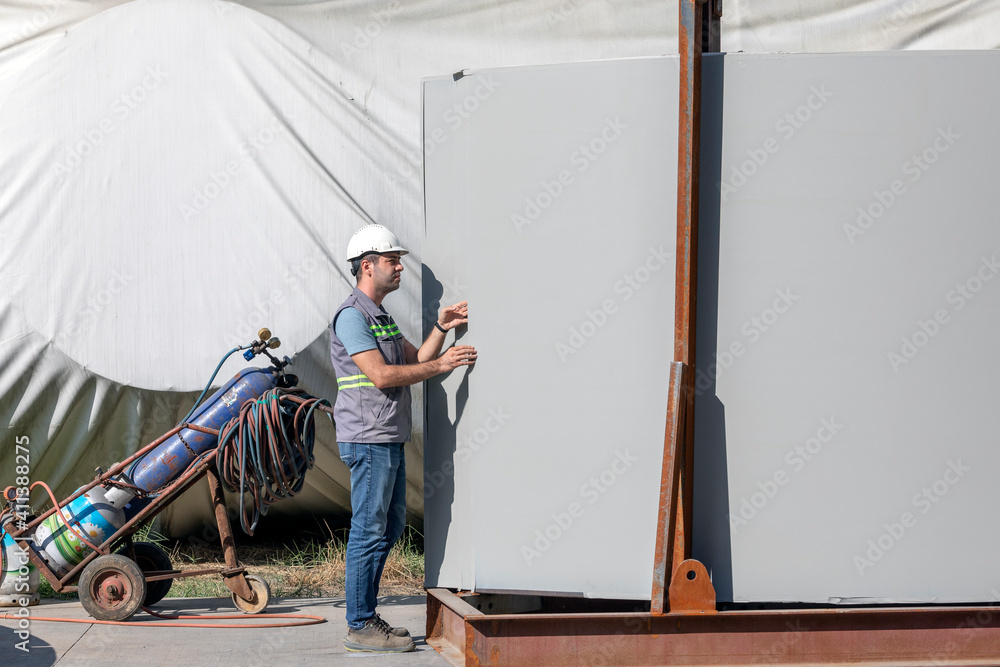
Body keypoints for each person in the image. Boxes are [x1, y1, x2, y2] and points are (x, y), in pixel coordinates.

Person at [329, 224, 477, 653]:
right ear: (367, 266)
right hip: (368, 438)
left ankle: (366, 617)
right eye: (393, 260)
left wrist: (440, 328)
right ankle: (359, 625)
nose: (399, 267)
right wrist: (443, 366)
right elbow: (381, 375)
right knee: (369, 530)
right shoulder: (353, 316)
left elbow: (416, 359)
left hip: (385, 438)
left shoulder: (380, 317)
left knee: (388, 526)